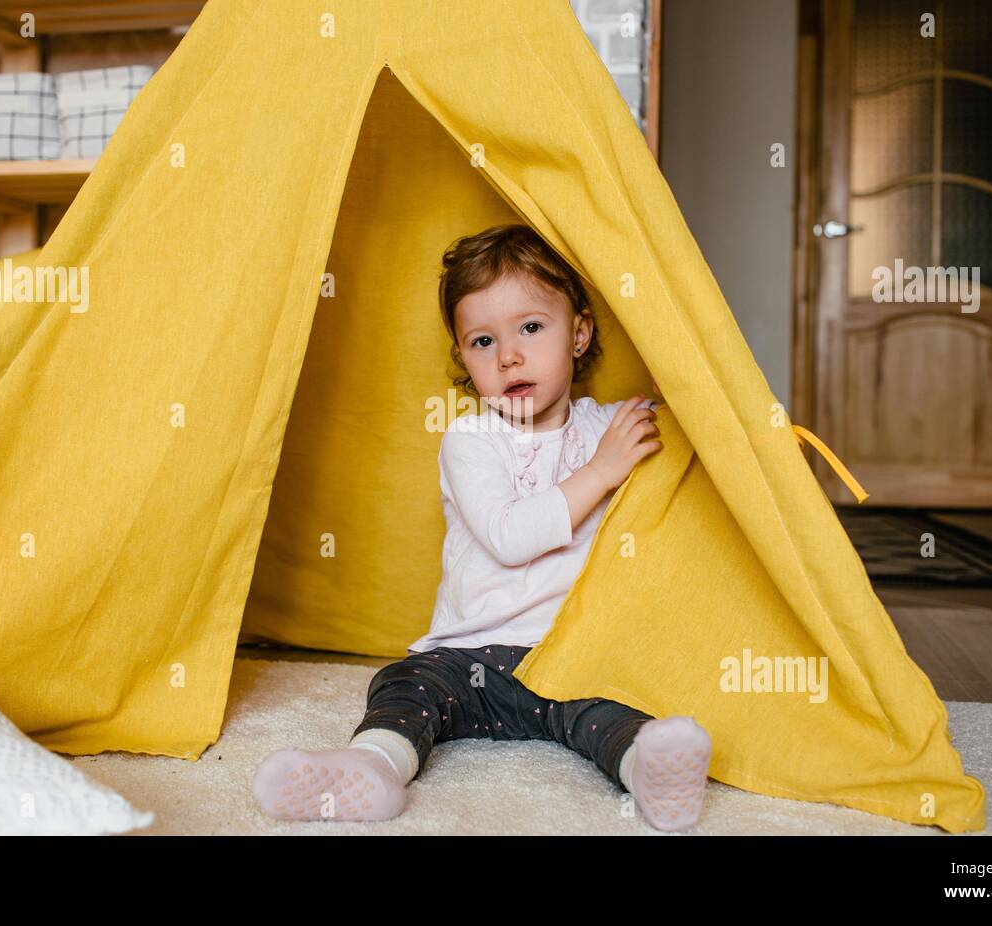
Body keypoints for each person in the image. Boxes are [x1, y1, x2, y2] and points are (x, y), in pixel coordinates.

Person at [253, 223, 712, 831]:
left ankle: (647, 774)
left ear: (579, 333)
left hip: (572, 658)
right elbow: (509, 536)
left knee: (614, 710)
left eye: (530, 328)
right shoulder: (472, 439)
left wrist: (685, 392)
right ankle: (372, 768)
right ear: (463, 356)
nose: (508, 356)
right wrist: (601, 472)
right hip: (468, 659)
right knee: (404, 687)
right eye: (482, 340)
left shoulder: (608, 426)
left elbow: (695, 422)